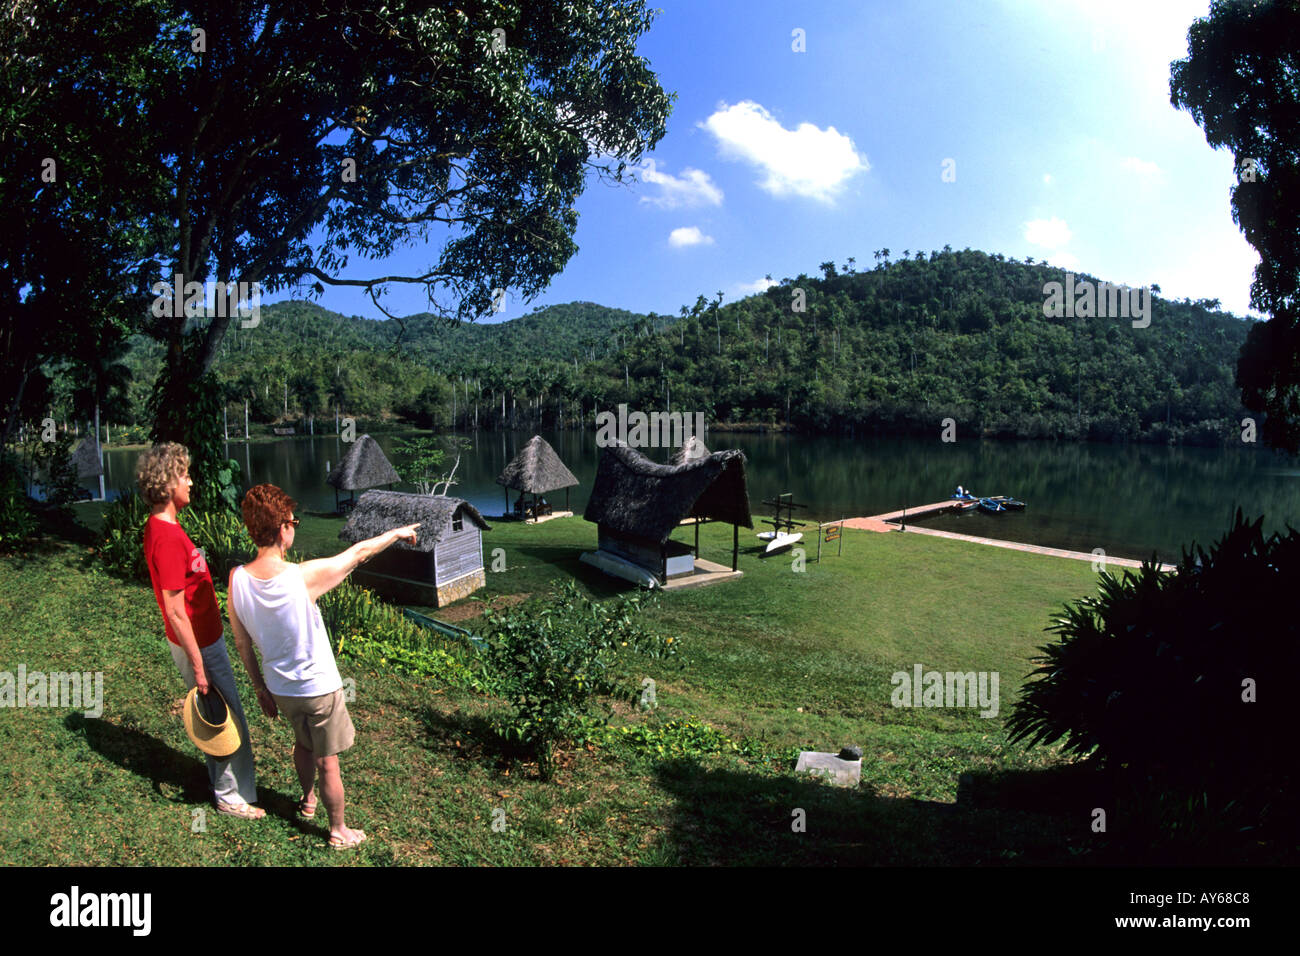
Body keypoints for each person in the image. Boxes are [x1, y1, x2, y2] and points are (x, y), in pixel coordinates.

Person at [226, 484, 418, 850]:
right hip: (318, 689)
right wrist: (396, 532)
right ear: (283, 528)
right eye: (294, 521)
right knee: (327, 760)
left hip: (281, 689)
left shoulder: (237, 579)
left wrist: (260, 689)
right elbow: (359, 553)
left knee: (302, 744)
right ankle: (338, 830)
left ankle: (309, 800)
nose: (294, 528)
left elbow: (241, 642)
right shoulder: (301, 578)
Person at [137, 443, 264, 820]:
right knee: (223, 718)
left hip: (205, 640)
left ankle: (230, 787)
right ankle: (228, 797)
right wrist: (198, 666)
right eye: (185, 475)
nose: (191, 482)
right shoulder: (167, 538)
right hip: (200, 645)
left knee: (222, 713)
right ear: (168, 483)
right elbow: (176, 611)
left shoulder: (163, 527)